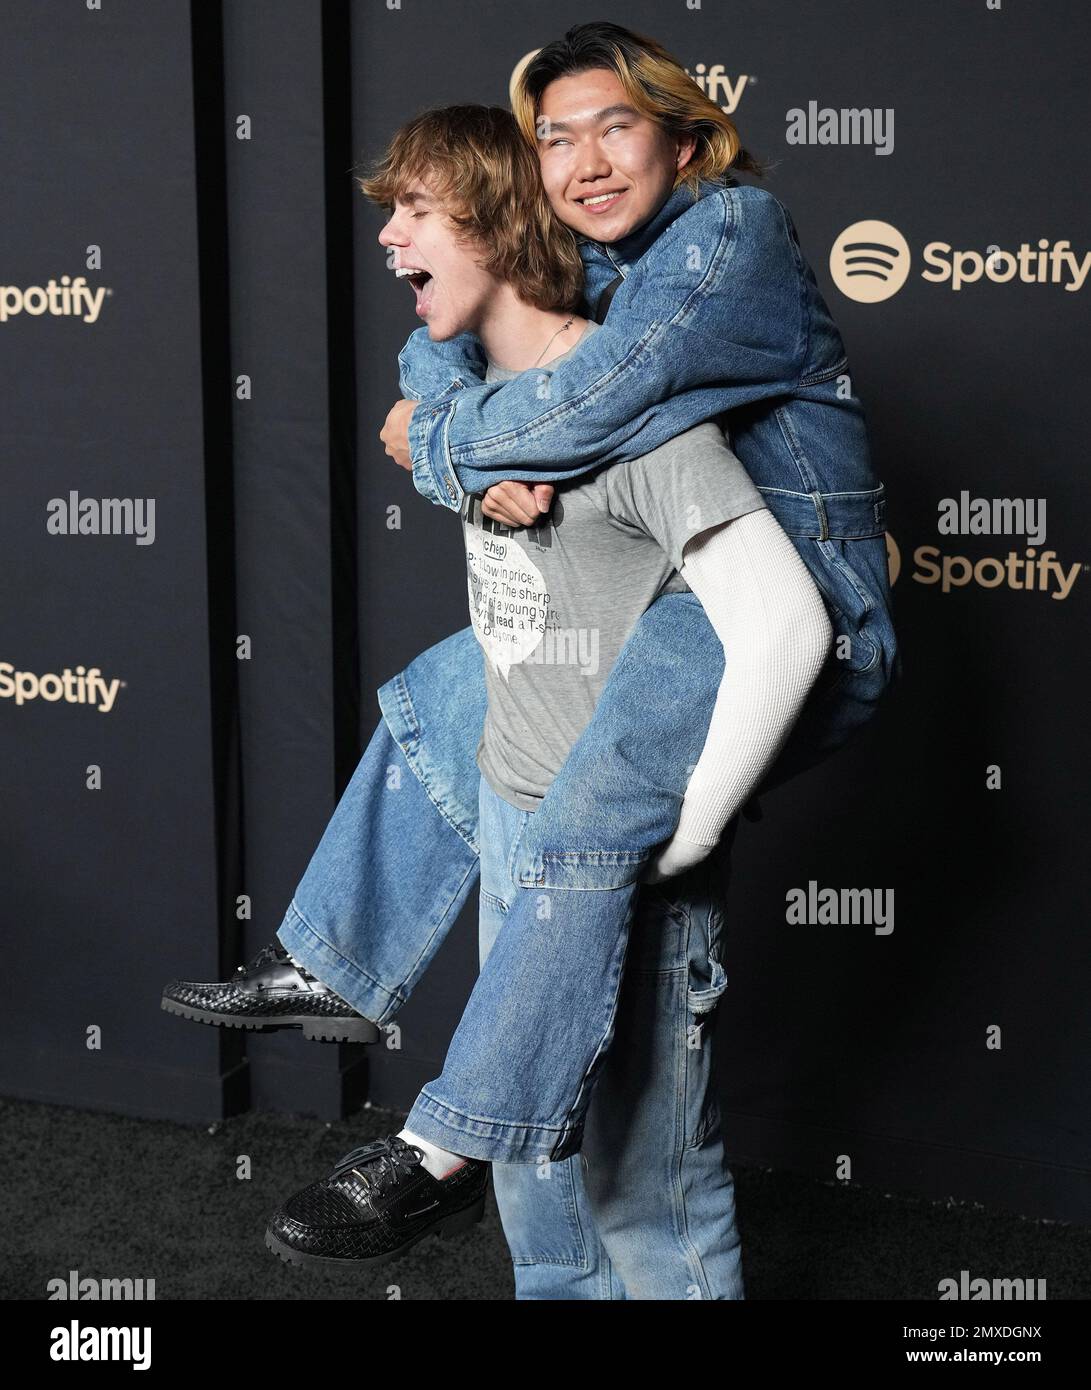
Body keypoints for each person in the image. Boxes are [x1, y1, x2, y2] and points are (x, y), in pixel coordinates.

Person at [162, 22, 899, 1292]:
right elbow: (454, 349)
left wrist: (450, 450)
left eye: (616, 125)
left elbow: (602, 399)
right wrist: (448, 425)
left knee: (621, 1078)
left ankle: (438, 1144)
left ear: (683, 134)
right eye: (555, 137)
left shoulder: (723, 241)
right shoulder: (605, 270)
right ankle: (334, 964)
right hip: (643, 635)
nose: (585, 160)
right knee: (443, 692)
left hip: (790, 607)